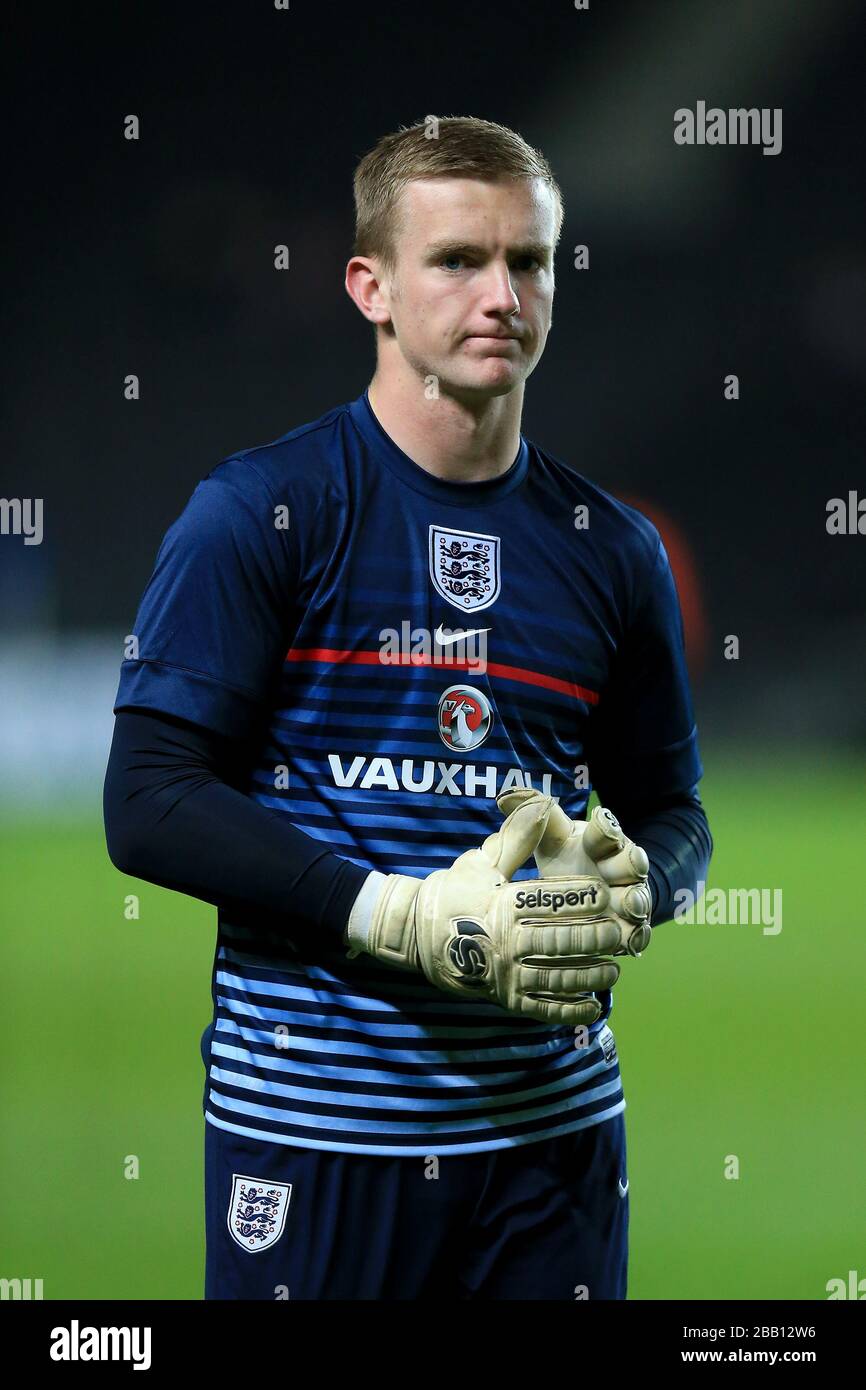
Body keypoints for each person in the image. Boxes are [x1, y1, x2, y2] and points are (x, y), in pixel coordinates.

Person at [103, 116, 712, 1301]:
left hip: (555, 1146)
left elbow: (673, 809)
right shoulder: (261, 512)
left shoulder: (613, 551)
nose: (502, 294)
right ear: (368, 286)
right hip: (317, 1133)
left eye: (526, 262)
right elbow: (149, 800)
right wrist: (394, 913)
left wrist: (641, 884)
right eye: (458, 261)